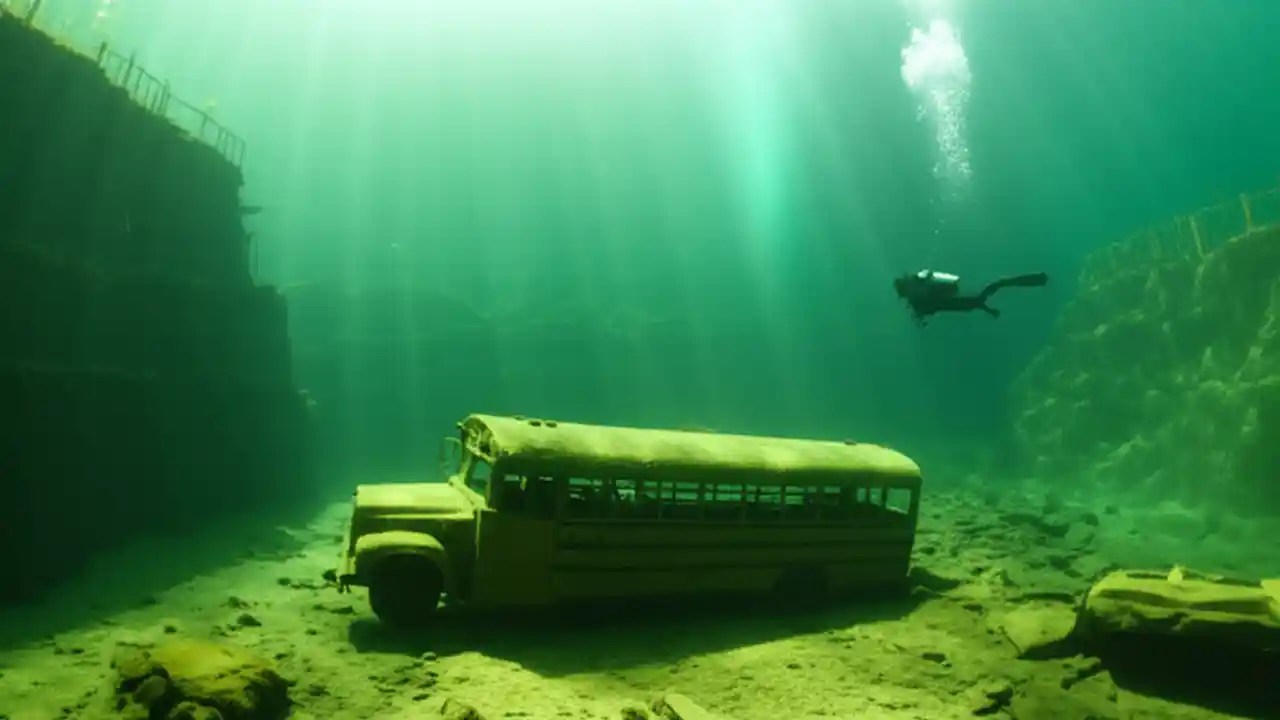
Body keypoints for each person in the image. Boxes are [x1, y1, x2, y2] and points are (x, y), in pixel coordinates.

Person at [893, 269, 1048, 324]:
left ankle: (1037, 279)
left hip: (966, 301)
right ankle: (1037, 279)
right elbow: (960, 303)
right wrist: (987, 309)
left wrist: (987, 309)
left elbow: (959, 304)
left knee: (997, 284)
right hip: (965, 301)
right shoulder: (921, 300)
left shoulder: (920, 302)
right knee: (997, 284)